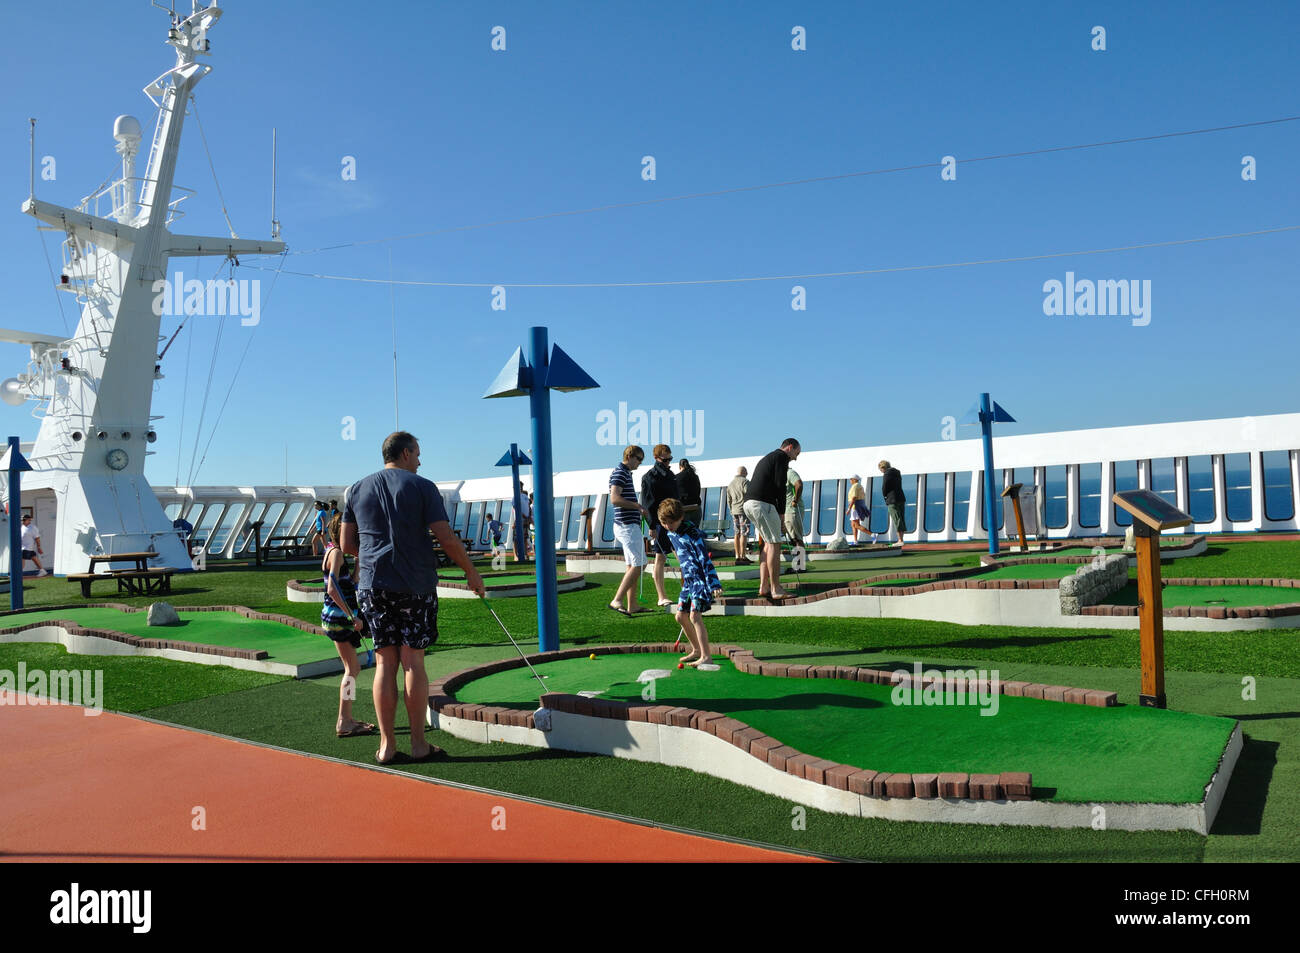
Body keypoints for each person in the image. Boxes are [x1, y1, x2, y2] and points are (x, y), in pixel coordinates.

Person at [342, 431, 485, 764]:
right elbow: (446, 538)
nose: (420, 461)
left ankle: (387, 746)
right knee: (413, 663)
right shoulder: (423, 487)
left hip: (372, 586)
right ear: (405, 453)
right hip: (415, 586)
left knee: (384, 663)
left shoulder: (357, 489)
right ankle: (419, 744)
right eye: (418, 454)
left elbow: (348, 544)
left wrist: (374, 555)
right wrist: (471, 571)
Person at [321, 513, 376, 739]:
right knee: (352, 670)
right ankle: (344, 721)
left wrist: (357, 565)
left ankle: (348, 718)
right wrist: (352, 615)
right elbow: (332, 589)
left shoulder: (333, 551)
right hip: (338, 618)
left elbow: (349, 582)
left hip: (332, 617)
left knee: (353, 669)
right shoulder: (335, 554)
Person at [658, 499, 722, 668]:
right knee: (680, 616)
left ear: (680, 518)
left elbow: (704, 560)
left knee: (695, 616)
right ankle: (696, 649)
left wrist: (714, 584)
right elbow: (677, 550)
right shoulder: (670, 532)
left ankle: (707, 656)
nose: (667, 526)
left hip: (700, 581)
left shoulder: (693, 535)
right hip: (688, 581)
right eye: (664, 523)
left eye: (671, 523)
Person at [742, 438, 800, 600]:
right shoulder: (781, 457)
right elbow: (780, 485)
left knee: (767, 544)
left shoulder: (769, 457)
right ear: (789, 447)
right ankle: (776, 589)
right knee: (775, 542)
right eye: (796, 453)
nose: (796, 457)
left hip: (749, 503)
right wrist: (781, 513)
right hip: (763, 503)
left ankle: (764, 586)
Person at [607, 445, 652, 615]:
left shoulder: (625, 473)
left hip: (628, 524)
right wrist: (637, 506)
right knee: (641, 563)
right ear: (630, 456)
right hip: (626, 525)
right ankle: (617, 599)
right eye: (639, 459)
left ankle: (632, 604)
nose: (640, 463)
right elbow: (615, 498)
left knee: (633, 565)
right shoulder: (620, 472)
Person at [639, 444, 680, 608]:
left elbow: (676, 498)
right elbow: (648, 504)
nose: (668, 461)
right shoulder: (649, 477)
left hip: (676, 520)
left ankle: (690, 589)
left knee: (682, 554)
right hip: (661, 523)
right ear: (656, 458)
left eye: (670, 458)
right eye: (665, 459)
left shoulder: (671, 474)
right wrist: (652, 526)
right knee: (660, 558)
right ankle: (661, 596)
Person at [878, 460, 906, 549]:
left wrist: (885, 496)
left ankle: (900, 540)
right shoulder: (897, 472)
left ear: (883, 467)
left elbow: (884, 487)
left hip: (892, 499)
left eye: (880, 469)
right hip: (901, 497)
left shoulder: (887, 473)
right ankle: (901, 539)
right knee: (901, 518)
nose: (881, 471)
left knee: (896, 518)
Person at [726, 466, 751, 563]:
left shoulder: (731, 484)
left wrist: (731, 510)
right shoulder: (745, 481)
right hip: (743, 510)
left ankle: (737, 555)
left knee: (736, 533)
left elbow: (728, 500)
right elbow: (748, 494)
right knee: (744, 533)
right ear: (744, 472)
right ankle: (742, 556)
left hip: (734, 511)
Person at [846, 474, 876, 545]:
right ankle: (855, 541)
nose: (850, 480)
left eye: (851, 479)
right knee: (853, 525)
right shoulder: (859, 486)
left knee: (856, 525)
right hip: (856, 506)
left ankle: (873, 535)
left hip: (855, 507)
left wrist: (849, 509)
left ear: (854, 479)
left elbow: (854, 498)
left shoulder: (855, 486)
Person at [677, 459, 702, 528]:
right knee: (694, 532)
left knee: (684, 534)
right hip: (696, 508)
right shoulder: (695, 476)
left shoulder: (677, 477)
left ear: (680, 467)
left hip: (684, 509)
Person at [784, 466, 805, 547]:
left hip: (793, 509)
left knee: (797, 537)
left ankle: (801, 559)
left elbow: (799, 484)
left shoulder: (790, 473)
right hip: (786, 510)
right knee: (792, 538)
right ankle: (798, 558)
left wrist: (795, 500)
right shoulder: (780, 475)